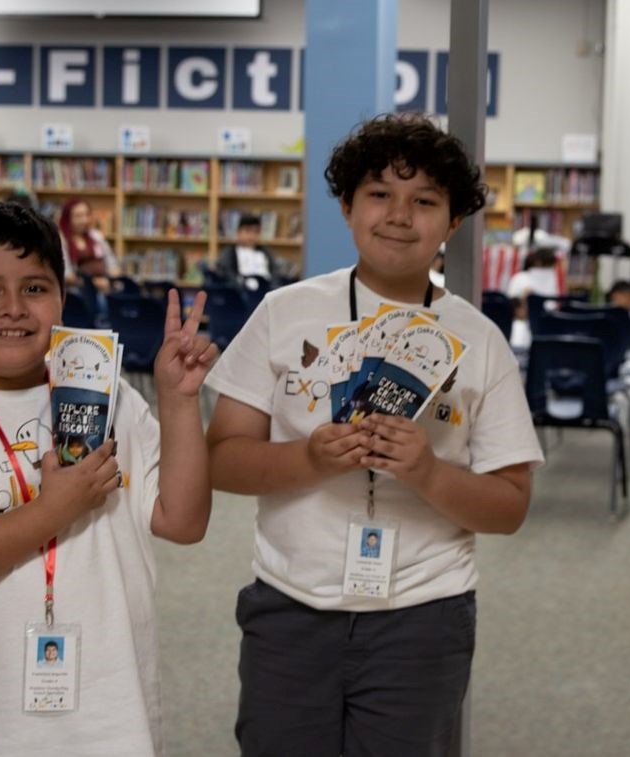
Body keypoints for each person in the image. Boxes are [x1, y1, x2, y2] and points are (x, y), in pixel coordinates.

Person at [205, 112, 543, 756]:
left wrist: (427, 473)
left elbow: (509, 507)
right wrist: (308, 458)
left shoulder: (479, 340)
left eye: (425, 201)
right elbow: (222, 459)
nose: (399, 215)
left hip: (423, 615)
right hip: (289, 604)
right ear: (346, 206)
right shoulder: (284, 312)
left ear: (453, 222)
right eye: (379, 194)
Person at [0, 201, 219, 756]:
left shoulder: (111, 397)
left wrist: (180, 404)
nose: (13, 308)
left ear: (62, 298)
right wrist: (50, 512)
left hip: (109, 716)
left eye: (35, 289)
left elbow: (183, 521)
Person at [57, 197, 119, 281]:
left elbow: (111, 263)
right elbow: (66, 274)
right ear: (68, 218)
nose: (84, 220)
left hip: (105, 284)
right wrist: (94, 283)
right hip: (78, 288)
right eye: (78, 216)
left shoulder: (96, 236)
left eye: (87, 215)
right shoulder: (61, 240)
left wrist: (113, 279)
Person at [215, 211, 276, 286]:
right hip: (240, 292)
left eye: (256, 232)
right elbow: (227, 276)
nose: (252, 236)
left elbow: (275, 275)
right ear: (238, 232)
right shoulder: (229, 253)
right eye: (248, 231)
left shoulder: (265, 252)